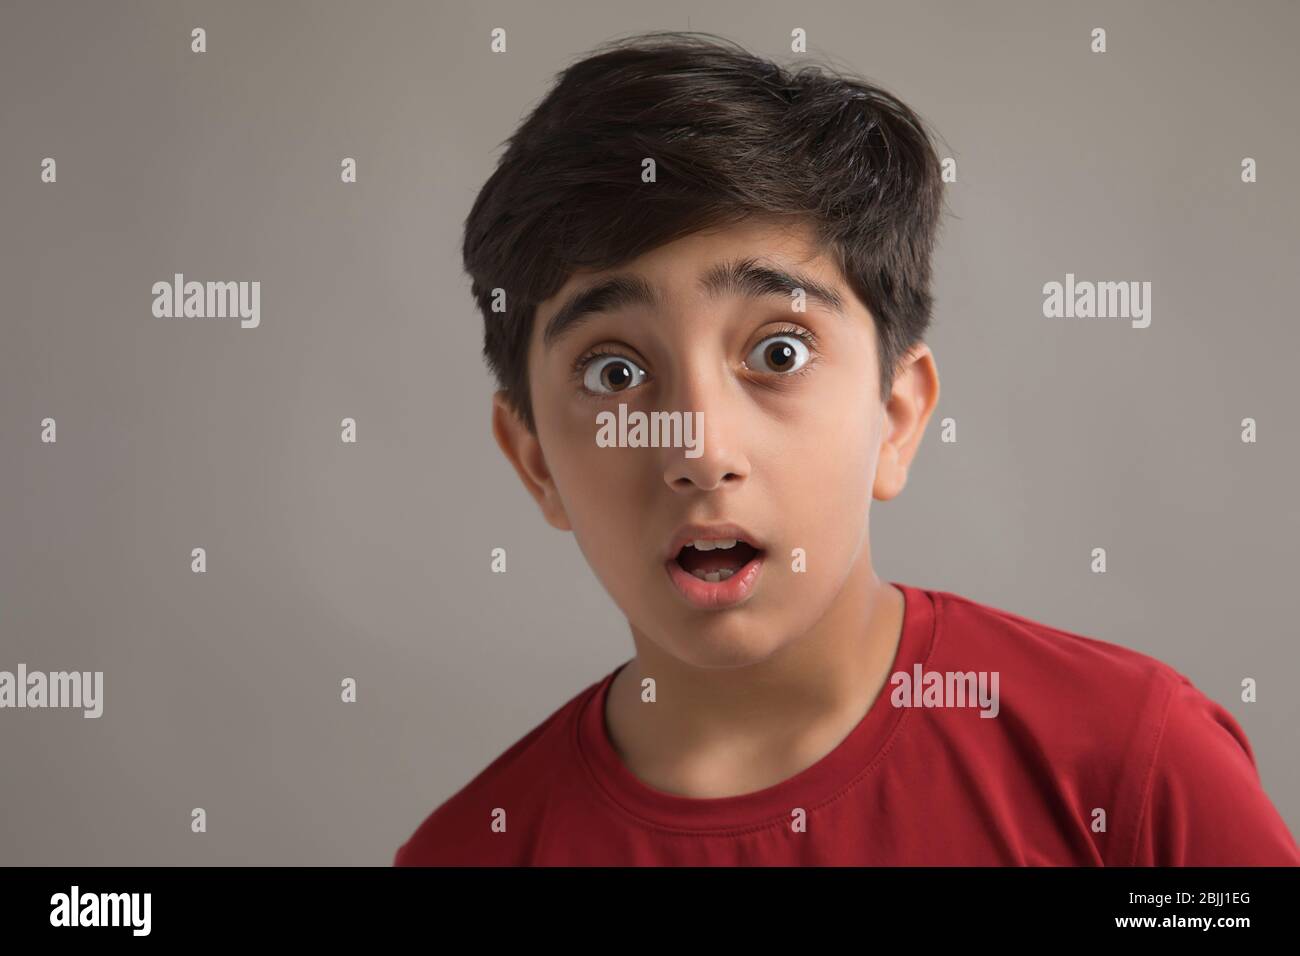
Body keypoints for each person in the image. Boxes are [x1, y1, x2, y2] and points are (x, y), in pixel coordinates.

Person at [395, 32, 1298, 865]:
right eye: (615, 374)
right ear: (537, 462)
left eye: (777, 352)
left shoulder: (1131, 770)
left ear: (896, 415)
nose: (701, 451)